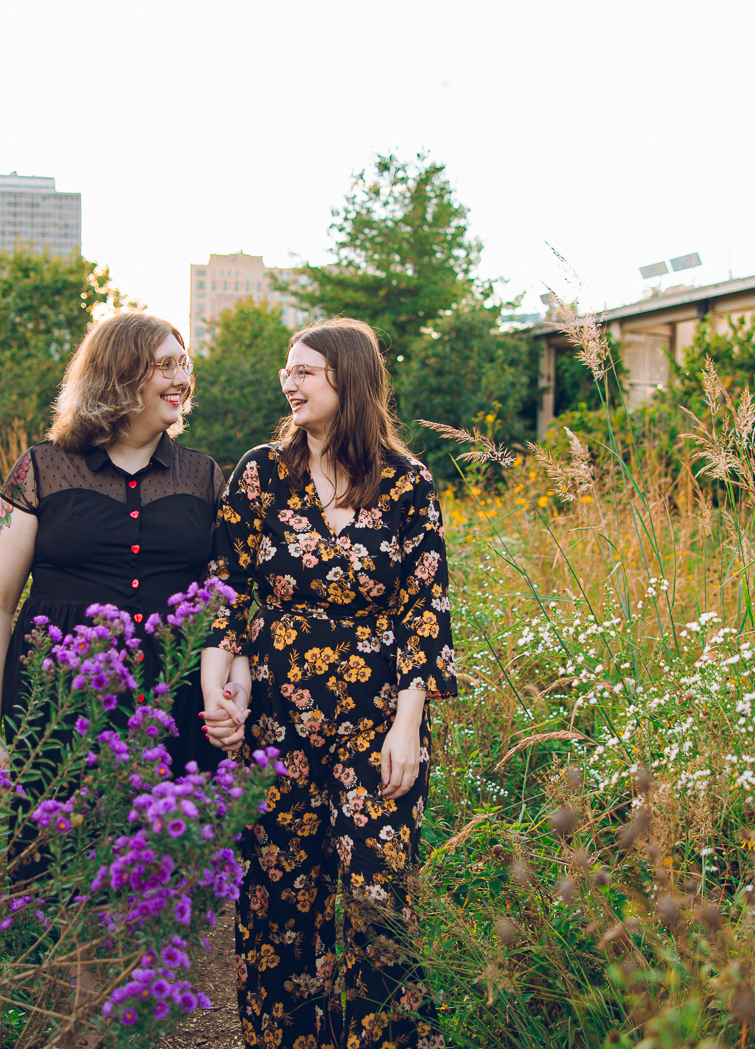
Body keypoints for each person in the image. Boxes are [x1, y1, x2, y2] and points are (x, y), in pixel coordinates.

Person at [199, 318, 456, 1049]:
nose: (289, 382)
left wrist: (409, 725)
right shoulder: (260, 471)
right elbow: (225, 595)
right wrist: (223, 693)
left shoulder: (407, 482)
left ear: (349, 379)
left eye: (306, 370)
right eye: (287, 370)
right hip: (278, 718)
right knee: (280, 895)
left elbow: (424, 610)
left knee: (379, 892)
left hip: (377, 719)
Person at [0, 309, 251, 785]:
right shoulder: (40, 469)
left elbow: (225, 598)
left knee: (169, 853)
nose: (182, 379)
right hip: (58, 704)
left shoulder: (203, 476)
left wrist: (234, 687)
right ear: (119, 374)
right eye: (166, 365)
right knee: (56, 854)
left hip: (173, 704)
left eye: (185, 366)